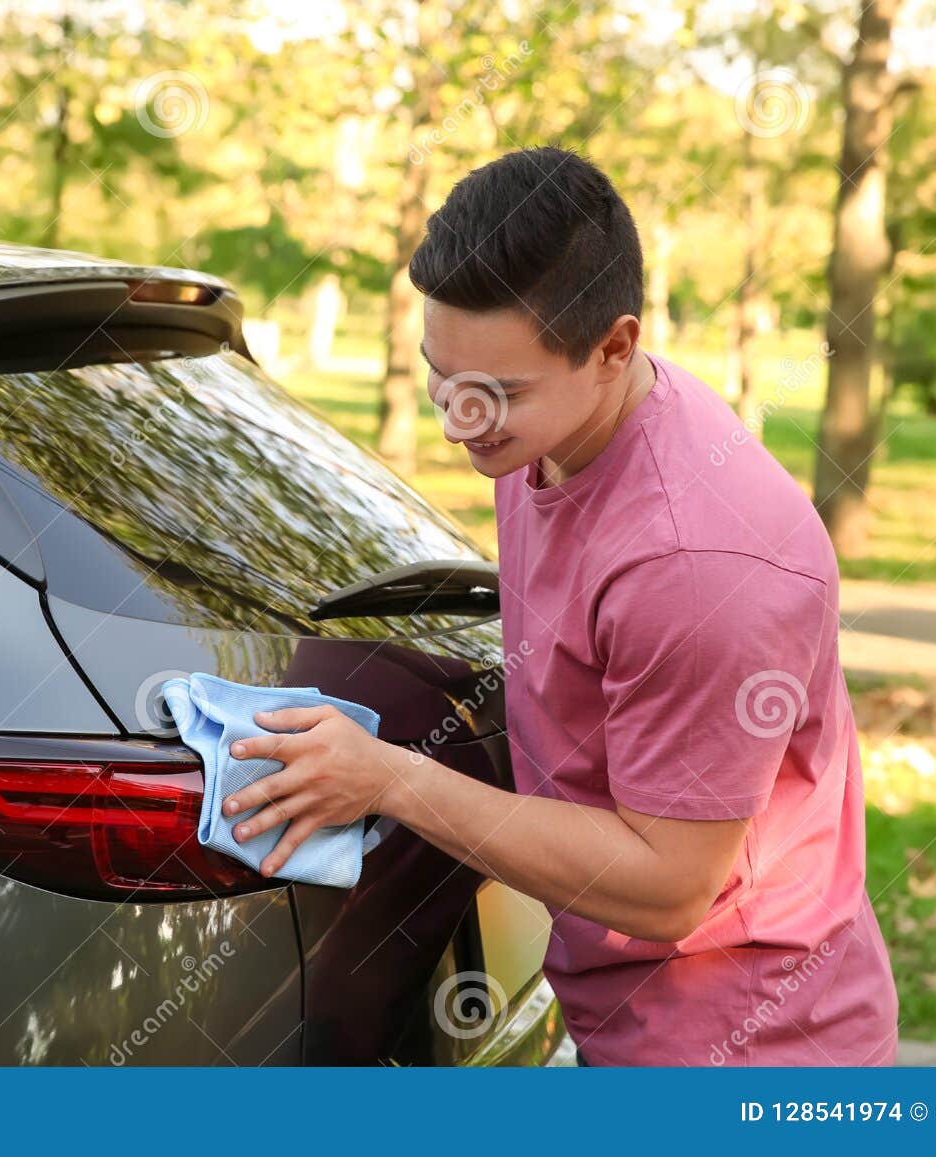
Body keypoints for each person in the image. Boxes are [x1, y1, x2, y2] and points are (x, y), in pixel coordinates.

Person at [218, 146, 898, 1066]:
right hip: (623, 1015)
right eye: (441, 373)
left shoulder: (694, 565)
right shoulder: (551, 433)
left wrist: (389, 777)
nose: (457, 420)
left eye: (496, 392)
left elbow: (667, 886)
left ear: (615, 347)